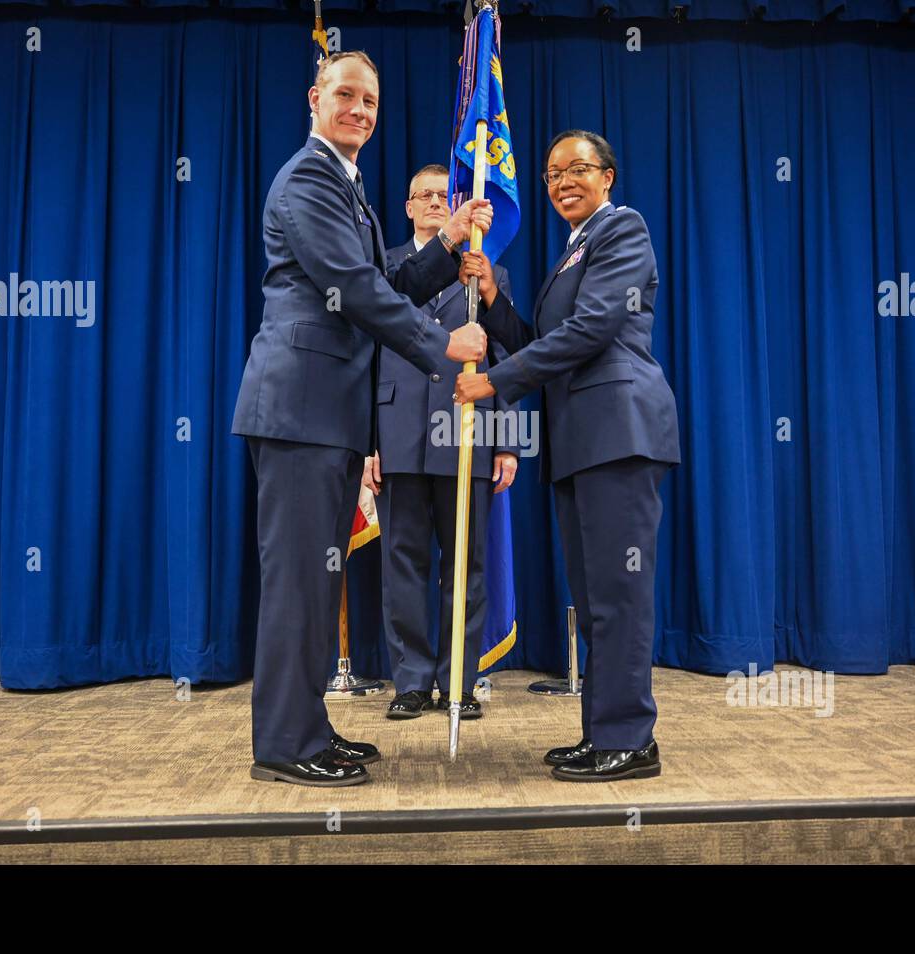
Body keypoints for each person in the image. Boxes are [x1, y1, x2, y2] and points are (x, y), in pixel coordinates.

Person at [232, 51, 493, 787]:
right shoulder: (309, 179)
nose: (360, 110)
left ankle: (307, 726)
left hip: (328, 415)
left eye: (371, 100)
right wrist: (444, 343)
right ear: (315, 98)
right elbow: (353, 287)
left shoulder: (349, 188)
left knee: (318, 581)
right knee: (296, 582)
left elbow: (387, 281)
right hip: (299, 409)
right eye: (346, 94)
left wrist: (446, 243)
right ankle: (283, 744)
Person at [456, 130, 680, 782]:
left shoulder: (623, 229)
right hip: (580, 443)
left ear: (608, 176)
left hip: (619, 433)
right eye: (552, 174)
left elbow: (591, 331)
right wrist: (495, 303)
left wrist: (494, 381)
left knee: (620, 595)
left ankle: (631, 740)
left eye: (577, 169)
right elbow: (543, 339)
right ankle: (603, 732)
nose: (562, 183)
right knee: (595, 595)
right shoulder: (572, 252)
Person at [362, 164, 518, 722]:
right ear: (407, 207)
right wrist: (366, 444)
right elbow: (367, 358)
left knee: (466, 565)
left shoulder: (485, 271)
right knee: (402, 563)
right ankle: (409, 681)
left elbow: (505, 358)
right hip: (397, 434)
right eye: (421, 195)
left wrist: (505, 442)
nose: (432, 202)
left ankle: (459, 681)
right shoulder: (383, 270)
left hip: (467, 434)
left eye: (441, 194)